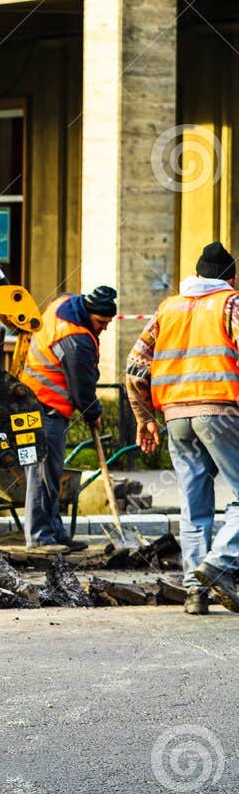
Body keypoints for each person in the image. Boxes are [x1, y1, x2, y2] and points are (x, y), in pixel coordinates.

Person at [126, 241, 239, 615]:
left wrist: (144, 419)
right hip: (220, 411)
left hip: (176, 418)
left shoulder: (168, 308)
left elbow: (134, 368)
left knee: (194, 506)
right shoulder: (230, 304)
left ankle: (195, 590)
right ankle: (219, 565)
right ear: (231, 277)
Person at [20, 284, 118, 552]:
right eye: (101, 322)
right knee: (42, 473)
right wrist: (93, 413)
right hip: (45, 407)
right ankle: (40, 537)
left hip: (40, 403)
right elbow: (81, 386)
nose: (105, 328)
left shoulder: (64, 303)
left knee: (51, 473)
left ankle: (55, 532)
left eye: (109, 322)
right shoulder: (76, 338)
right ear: (89, 312)